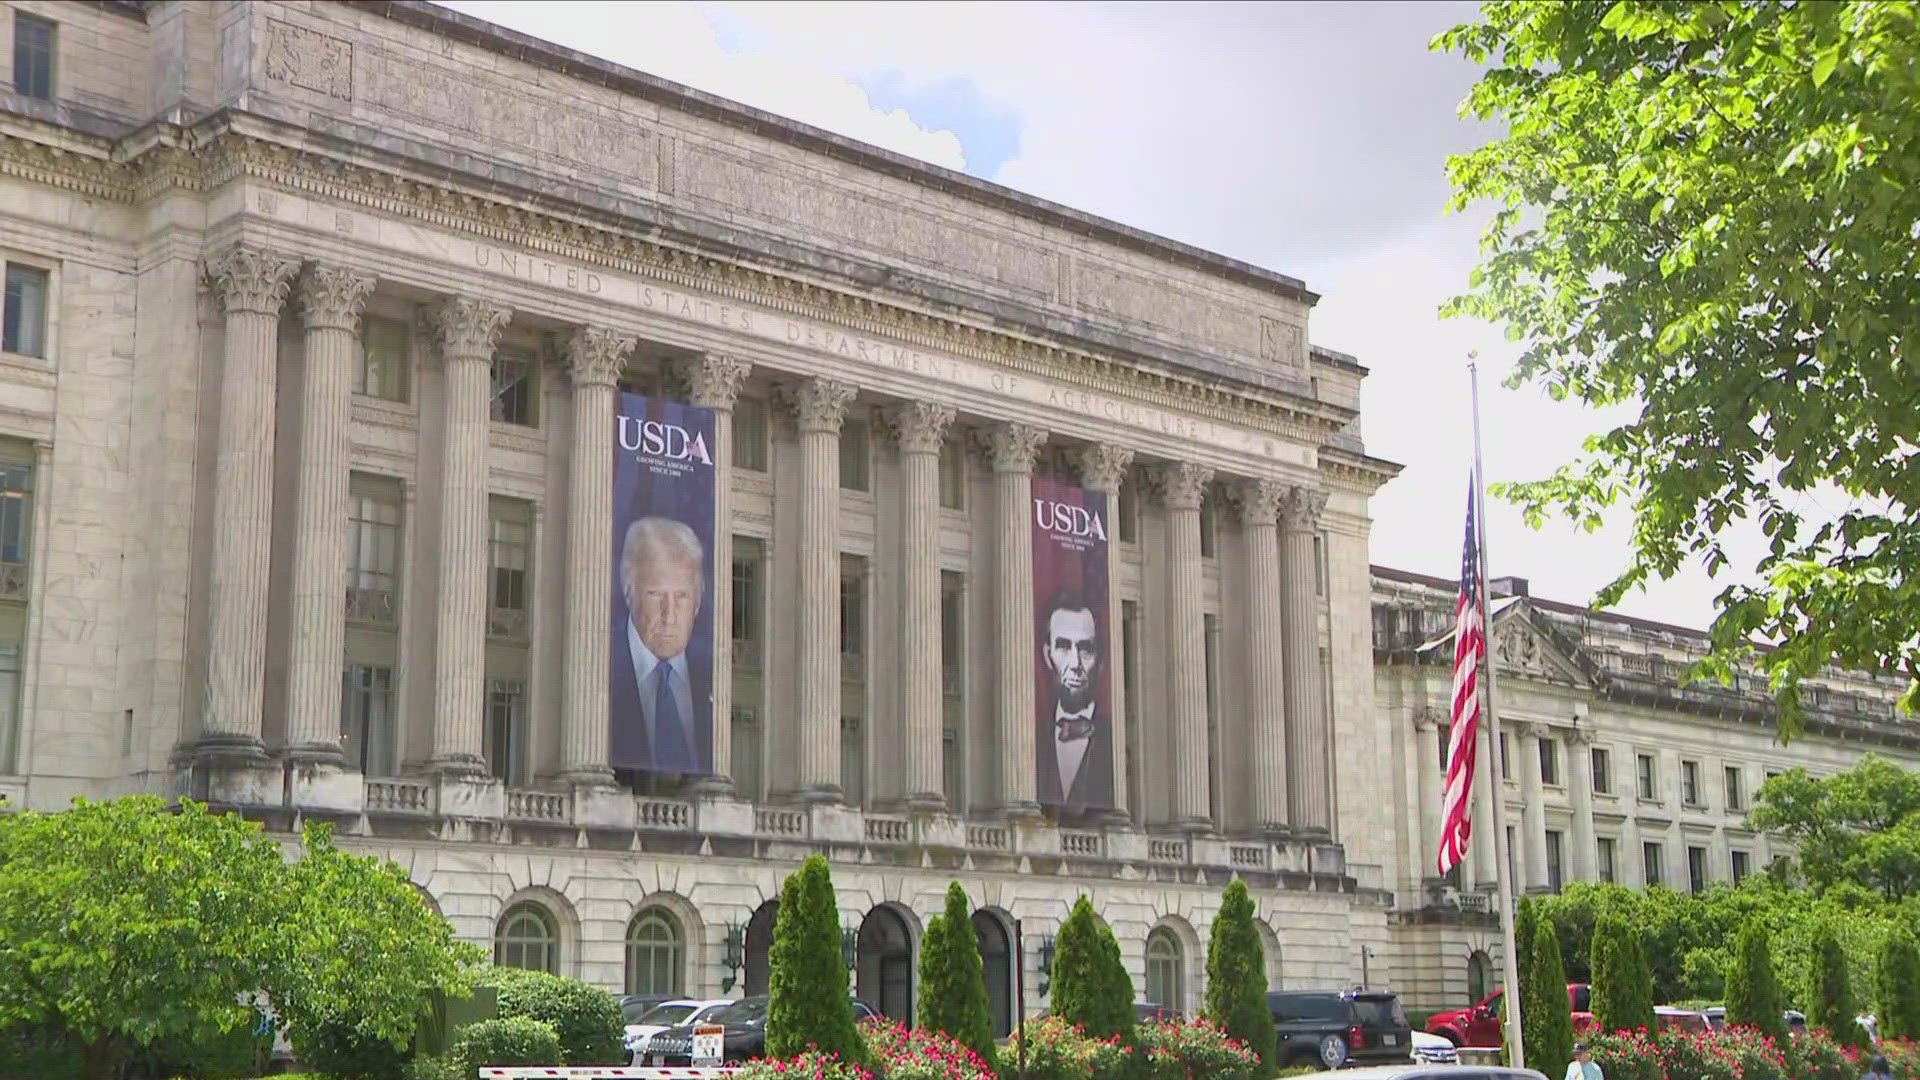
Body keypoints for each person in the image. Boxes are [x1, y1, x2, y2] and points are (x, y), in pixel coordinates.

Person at [610, 515, 711, 775]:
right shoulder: (603, 661)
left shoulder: (712, 673)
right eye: (655, 595)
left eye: (682, 596)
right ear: (629, 593)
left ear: (698, 602)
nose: (670, 615)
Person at [1035, 587, 1110, 808]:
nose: (1076, 664)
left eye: (1085, 649)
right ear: (1047, 655)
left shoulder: (1112, 738)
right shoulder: (1032, 739)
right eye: (1064, 647)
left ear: (1100, 658)